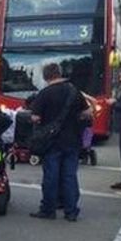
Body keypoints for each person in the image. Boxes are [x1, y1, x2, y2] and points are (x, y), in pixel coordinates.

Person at [29, 63, 88, 221]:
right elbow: (87, 113)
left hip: (52, 142)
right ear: (60, 73)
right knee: (69, 176)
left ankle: (48, 209)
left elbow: (35, 117)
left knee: (51, 176)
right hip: (72, 140)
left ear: (46, 76)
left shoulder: (44, 94)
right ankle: (71, 211)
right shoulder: (74, 91)